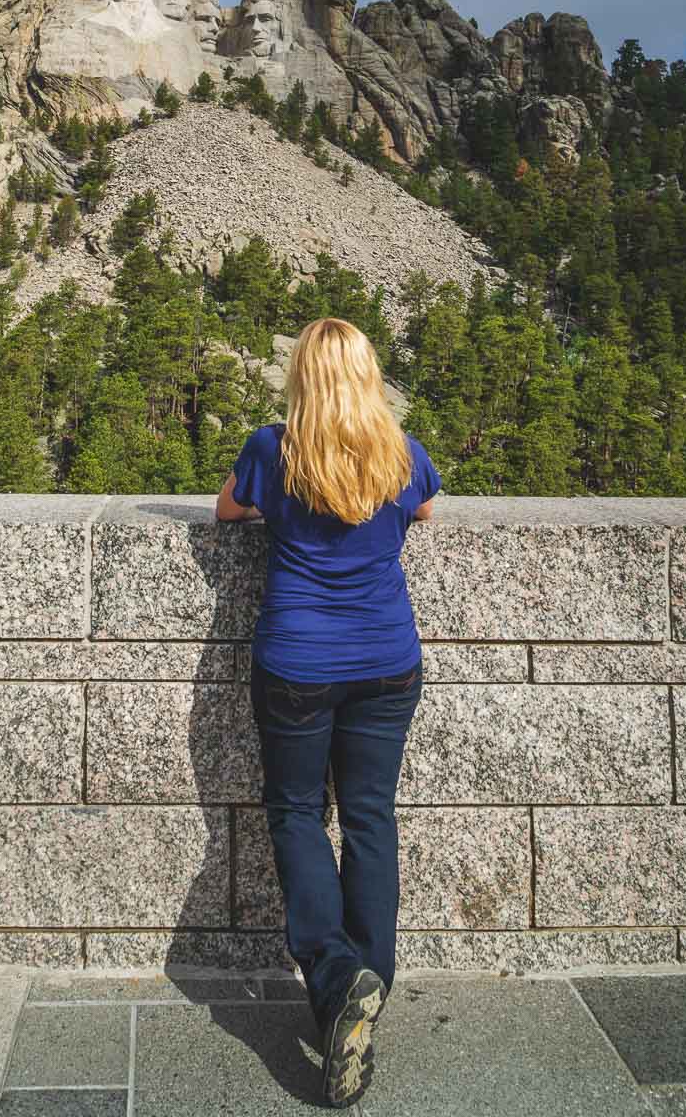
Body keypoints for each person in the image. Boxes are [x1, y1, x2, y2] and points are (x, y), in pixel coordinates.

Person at [215, 316, 441, 1109]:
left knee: (296, 813)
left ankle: (338, 976)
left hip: (297, 664)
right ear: (368, 376)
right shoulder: (401, 452)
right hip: (387, 663)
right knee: (370, 817)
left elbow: (226, 512)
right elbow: (422, 512)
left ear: (301, 378)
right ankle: (367, 978)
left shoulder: (271, 449)